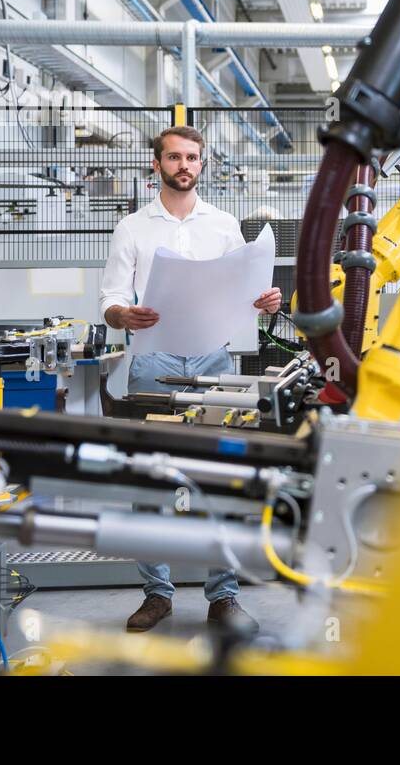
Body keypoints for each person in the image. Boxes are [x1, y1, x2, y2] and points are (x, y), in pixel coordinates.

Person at [99, 125, 281, 635]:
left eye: (193, 157)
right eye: (175, 157)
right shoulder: (131, 228)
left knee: (221, 477)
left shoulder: (223, 225)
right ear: (156, 164)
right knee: (150, 478)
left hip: (213, 364)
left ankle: (223, 597)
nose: (185, 165)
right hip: (152, 361)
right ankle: (157, 595)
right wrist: (122, 315)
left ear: (202, 165)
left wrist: (269, 300)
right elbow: (109, 299)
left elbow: (252, 289)